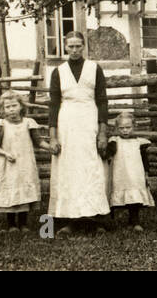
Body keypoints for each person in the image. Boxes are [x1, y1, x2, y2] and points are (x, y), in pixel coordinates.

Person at [47, 31, 111, 234]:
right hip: (67, 123)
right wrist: (53, 135)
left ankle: (94, 217)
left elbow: (102, 100)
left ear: (84, 47)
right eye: (70, 46)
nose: (74, 50)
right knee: (69, 168)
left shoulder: (94, 69)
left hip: (89, 121)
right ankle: (70, 219)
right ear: (65, 47)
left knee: (91, 167)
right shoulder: (58, 71)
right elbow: (54, 104)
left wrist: (102, 132)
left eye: (78, 46)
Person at [0, 90, 46, 232]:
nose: (11, 109)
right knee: (10, 189)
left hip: (25, 164)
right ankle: (11, 224)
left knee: (24, 190)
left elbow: (38, 142)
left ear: (21, 106)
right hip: (9, 164)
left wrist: (51, 148)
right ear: (3, 109)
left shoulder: (29, 123)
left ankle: (23, 223)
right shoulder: (1, 124)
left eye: (14, 105)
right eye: (8, 107)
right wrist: (5, 153)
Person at [104, 108, 154, 232]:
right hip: (119, 175)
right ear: (117, 128)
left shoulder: (139, 142)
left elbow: (144, 160)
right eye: (121, 128)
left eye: (128, 127)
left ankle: (134, 220)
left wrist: (146, 173)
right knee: (116, 195)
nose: (125, 130)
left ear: (134, 126)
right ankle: (110, 221)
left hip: (135, 175)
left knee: (135, 197)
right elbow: (107, 155)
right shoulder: (115, 141)